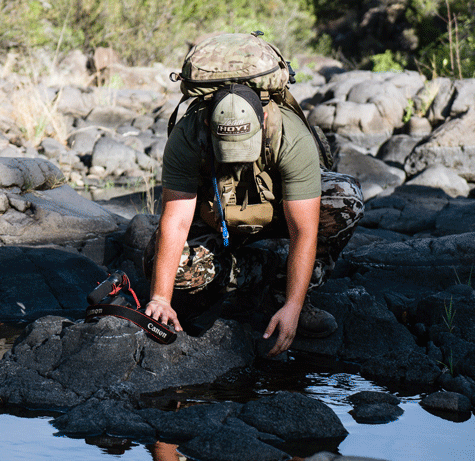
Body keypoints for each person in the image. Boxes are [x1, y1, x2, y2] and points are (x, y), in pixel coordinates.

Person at [143, 82, 364, 357]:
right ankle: (263, 268)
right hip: (217, 218)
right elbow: (176, 222)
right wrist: (160, 298)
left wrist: (293, 306)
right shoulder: (188, 135)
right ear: (208, 124)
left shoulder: (291, 135)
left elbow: (303, 230)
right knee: (167, 266)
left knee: (346, 198)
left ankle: (285, 292)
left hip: (280, 211)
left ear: (265, 118)